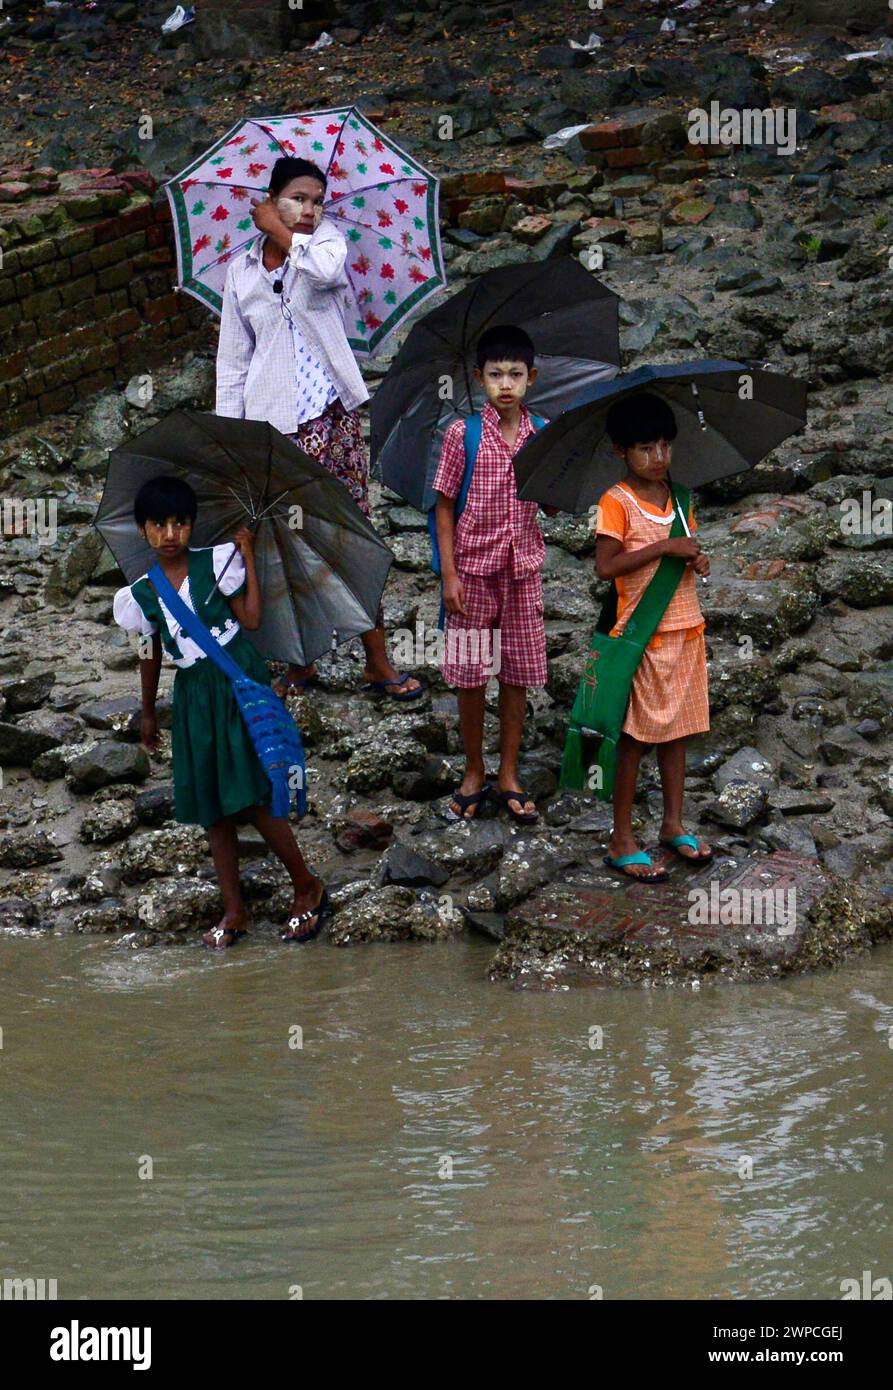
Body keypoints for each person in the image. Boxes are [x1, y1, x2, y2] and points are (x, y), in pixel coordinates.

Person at [215, 154, 422, 702]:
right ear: (271, 196)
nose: (309, 209)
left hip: (331, 420)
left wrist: (282, 230)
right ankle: (299, 661)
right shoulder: (241, 270)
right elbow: (233, 362)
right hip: (273, 428)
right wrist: (230, 439)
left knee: (348, 534)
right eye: (297, 199)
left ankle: (377, 662)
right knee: (282, 544)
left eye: (316, 200)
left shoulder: (326, 245)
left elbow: (325, 275)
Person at [112, 476, 330, 948]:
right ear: (143, 530)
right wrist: (148, 712)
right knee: (213, 809)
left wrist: (248, 555)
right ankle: (234, 911)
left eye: (180, 523)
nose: (170, 533)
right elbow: (149, 653)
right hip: (192, 694)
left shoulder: (218, 562)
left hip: (236, 681)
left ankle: (306, 884)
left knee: (252, 795)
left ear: (192, 526)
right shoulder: (141, 594)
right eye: (159, 525)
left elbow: (250, 620)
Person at [434, 324, 556, 824]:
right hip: (472, 573)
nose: (505, 384)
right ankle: (473, 769)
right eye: (494, 375)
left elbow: (550, 503)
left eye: (515, 375)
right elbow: (443, 507)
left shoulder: (542, 434)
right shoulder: (462, 434)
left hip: (522, 573)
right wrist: (449, 575)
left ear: (531, 377)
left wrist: (556, 479)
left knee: (517, 675)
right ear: (478, 377)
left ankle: (508, 772)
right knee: (469, 678)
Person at [595, 393, 713, 881]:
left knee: (678, 732)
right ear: (622, 451)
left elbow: (684, 553)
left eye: (666, 445)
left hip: (686, 628)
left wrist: (696, 559)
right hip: (642, 636)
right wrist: (665, 547)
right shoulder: (615, 502)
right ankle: (622, 837)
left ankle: (672, 824)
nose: (659, 457)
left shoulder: (680, 499)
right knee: (635, 737)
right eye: (645, 448)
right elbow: (606, 567)